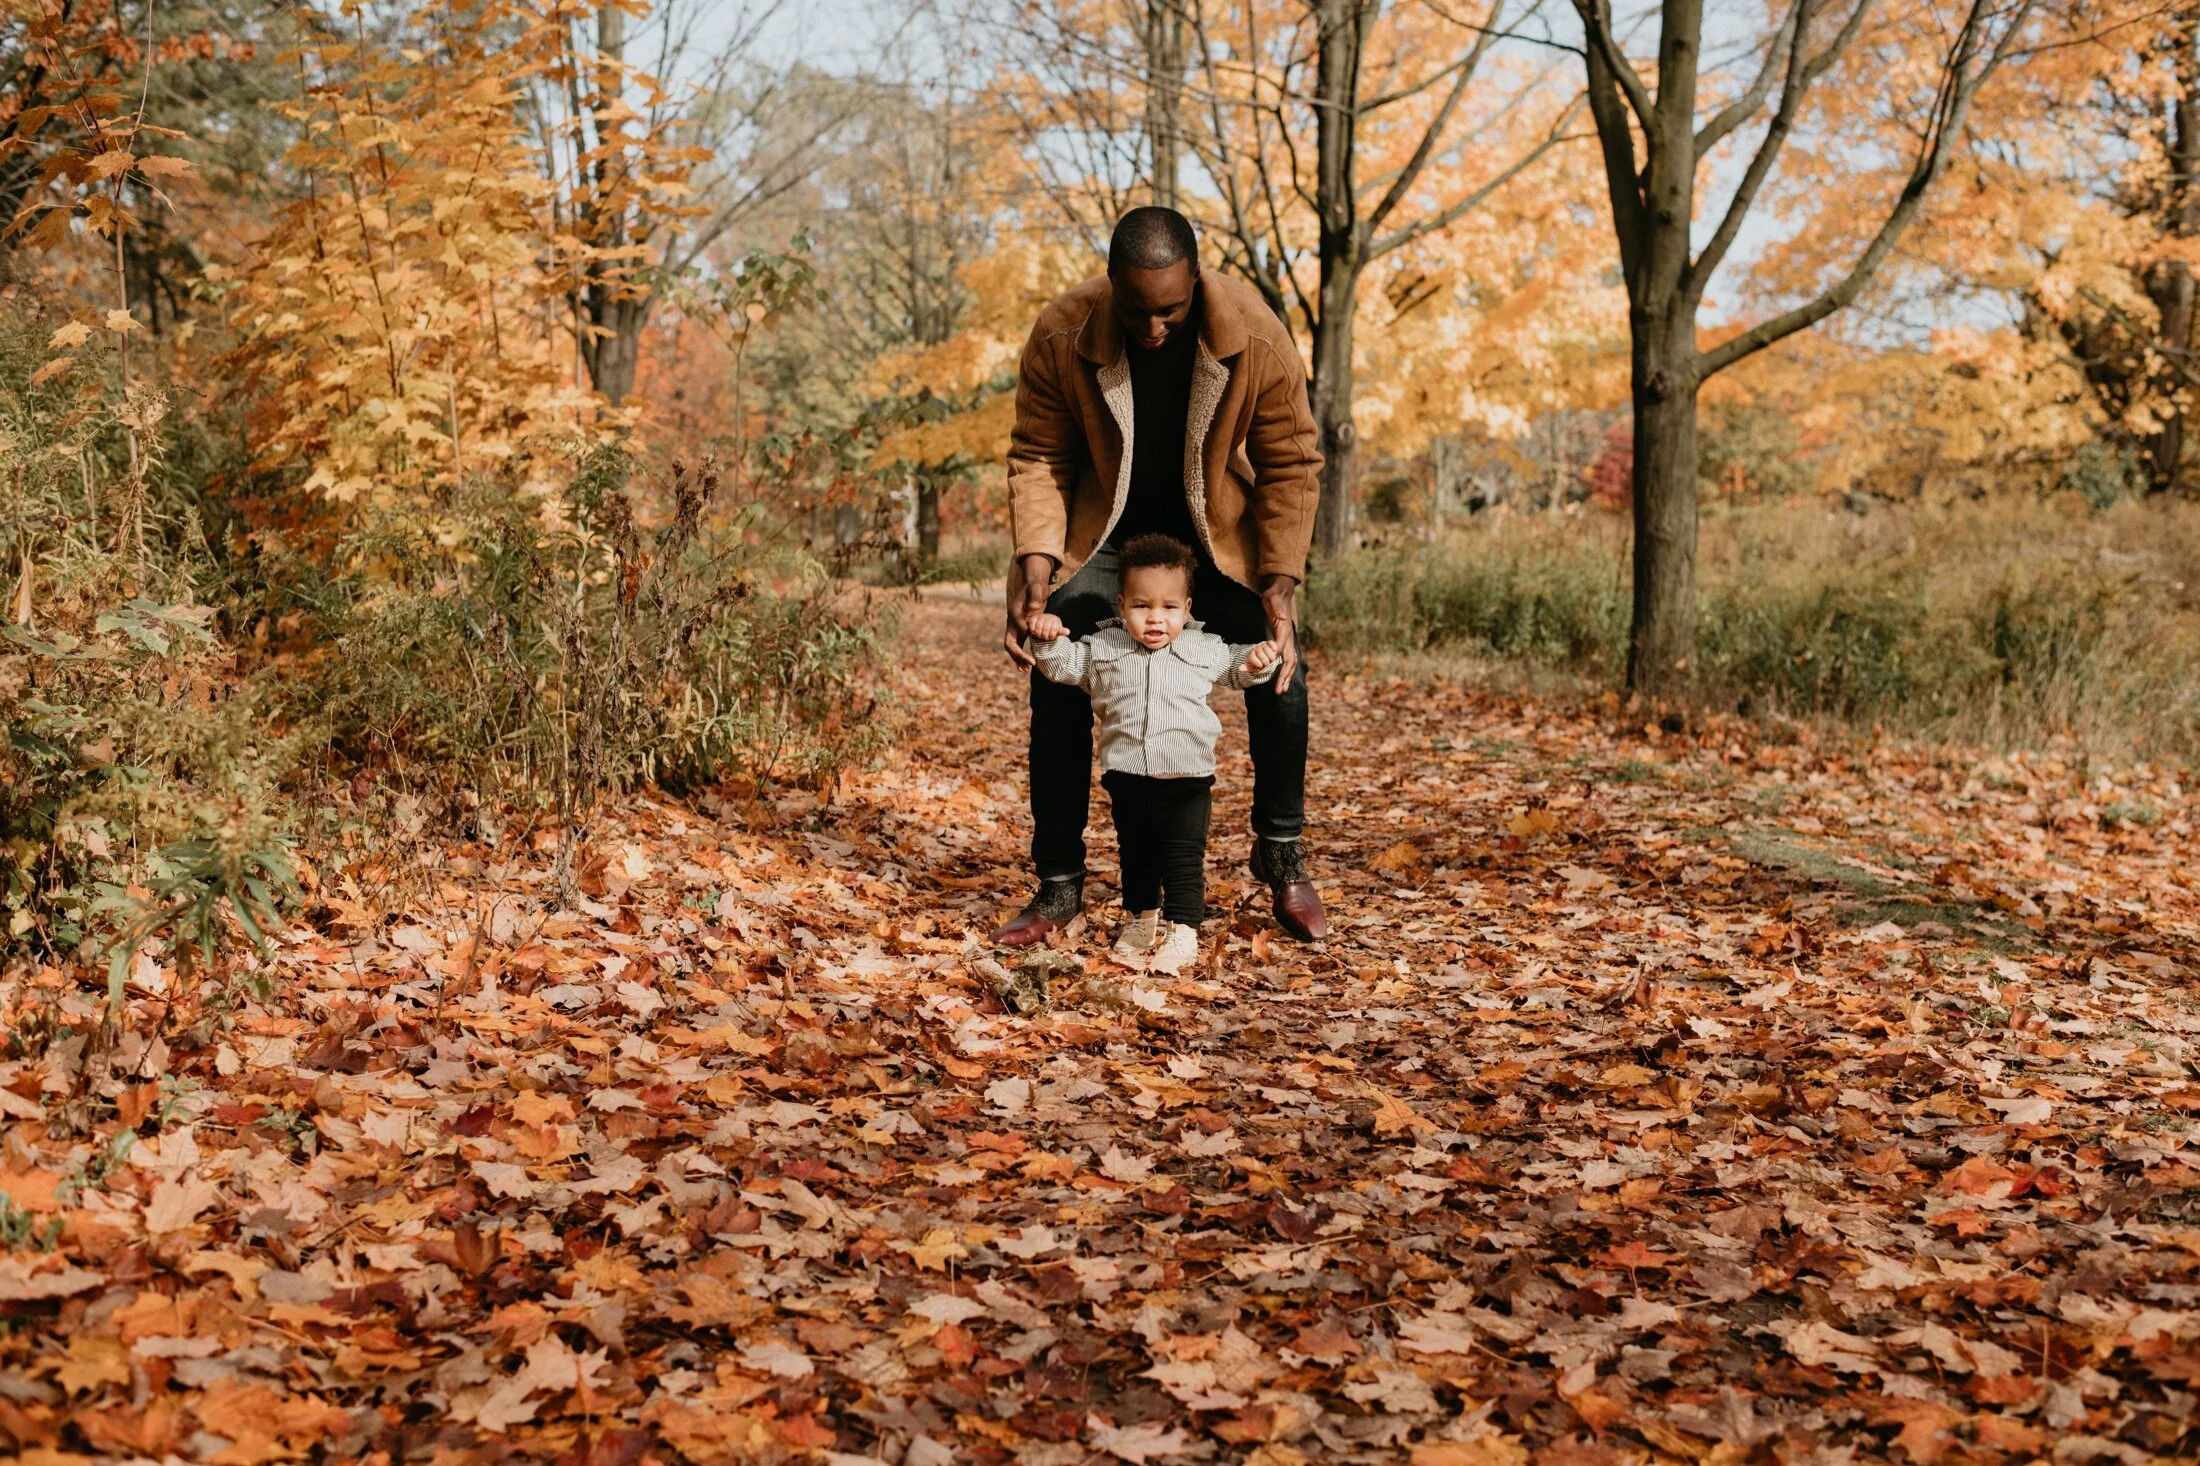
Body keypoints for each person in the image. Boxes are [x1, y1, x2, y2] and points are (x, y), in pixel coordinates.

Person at [994, 205, 1329, 947]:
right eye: (1136, 310)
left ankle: (1280, 851)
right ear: (1111, 284)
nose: (1152, 328)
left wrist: (1279, 582)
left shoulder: (1254, 332)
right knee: (1054, 671)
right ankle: (1059, 884)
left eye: (1170, 311)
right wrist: (1036, 566)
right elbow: (1039, 455)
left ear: (1197, 281)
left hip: (1214, 539)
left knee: (1281, 670)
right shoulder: (1063, 330)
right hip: (1102, 535)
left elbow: (1291, 461)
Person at [1027, 534, 1281, 973]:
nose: (1155, 618)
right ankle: (1141, 920)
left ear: (1187, 608)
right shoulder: (1103, 647)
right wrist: (1047, 637)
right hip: (1126, 776)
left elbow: (1237, 668)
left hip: (1187, 780)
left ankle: (1183, 931)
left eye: (1169, 607)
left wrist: (1260, 661)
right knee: (1136, 854)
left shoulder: (1202, 647)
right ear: (1122, 605)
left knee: (1183, 860)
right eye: (1142, 605)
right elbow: (1062, 666)